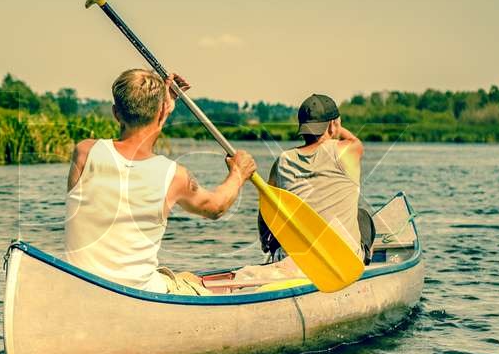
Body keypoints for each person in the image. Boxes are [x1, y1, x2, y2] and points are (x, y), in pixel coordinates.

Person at [65, 68, 257, 295]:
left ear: (116, 113)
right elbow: (216, 207)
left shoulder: (85, 152)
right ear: (161, 111)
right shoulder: (175, 176)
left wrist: (164, 108)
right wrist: (238, 174)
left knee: (182, 277)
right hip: (137, 292)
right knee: (190, 282)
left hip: (79, 286)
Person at [260, 93, 364, 260]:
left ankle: (276, 255)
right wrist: (336, 126)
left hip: (295, 257)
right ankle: (365, 261)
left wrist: (266, 243)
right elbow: (354, 140)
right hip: (342, 257)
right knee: (363, 219)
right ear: (333, 125)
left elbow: (266, 206)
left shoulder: (283, 160)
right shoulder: (347, 151)